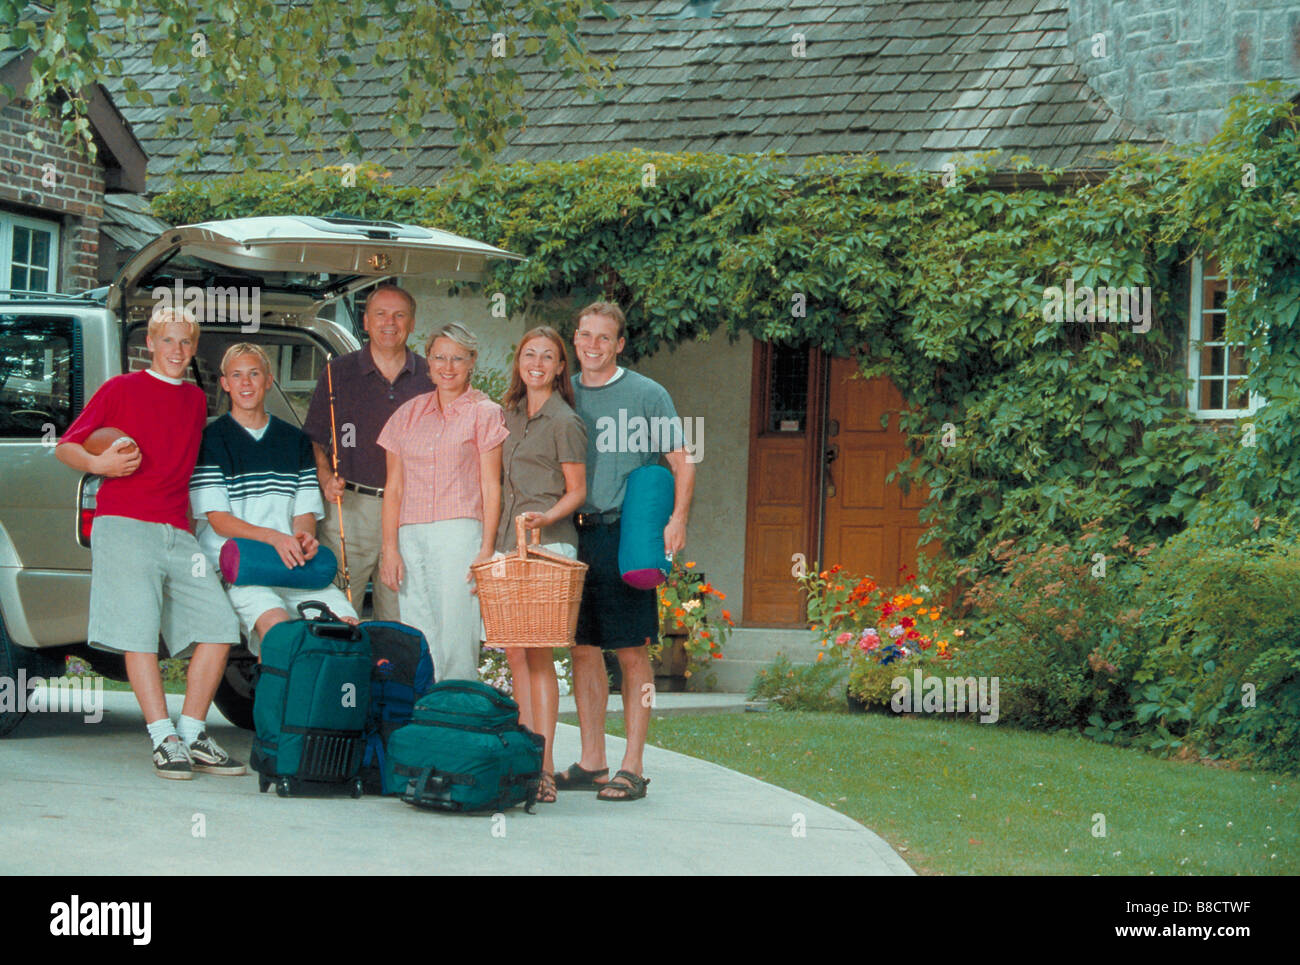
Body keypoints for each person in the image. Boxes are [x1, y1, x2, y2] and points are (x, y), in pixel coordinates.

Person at [55, 305, 244, 780]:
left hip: (176, 531)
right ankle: (164, 739)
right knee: (138, 633)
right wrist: (100, 467)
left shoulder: (197, 401)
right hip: (124, 525)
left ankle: (195, 732)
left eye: (185, 342)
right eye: (167, 341)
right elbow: (67, 445)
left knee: (220, 627)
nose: (176, 351)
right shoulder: (121, 389)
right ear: (151, 344)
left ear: (194, 347)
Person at [558, 301, 695, 802]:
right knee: (582, 648)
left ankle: (632, 765)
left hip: (627, 534)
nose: (592, 345)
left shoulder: (647, 394)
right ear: (575, 339)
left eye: (603, 338)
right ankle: (593, 760)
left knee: (632, 651)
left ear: (618, 344)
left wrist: (676, 520)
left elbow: (682, 461)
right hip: (575, 536)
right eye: (584, 335)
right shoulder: (563, 391)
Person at [190, 344, 359, 658]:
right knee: (281, 633)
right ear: (225, 383)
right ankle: (281, 705)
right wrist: (276, 539)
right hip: (242, 568)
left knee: (346, 628)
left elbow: (305, 511)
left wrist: (303, 536)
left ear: (268, 380)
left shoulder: (293, 440)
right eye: (237, 376)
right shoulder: (211, 440)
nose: (246, 383)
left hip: (293, 563)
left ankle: (324, 705)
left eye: (254, 374)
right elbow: (219, 520)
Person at [378, 323, 508, 682]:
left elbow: (491, 485)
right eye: (439, 357)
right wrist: (390, 547)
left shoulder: (485, 412)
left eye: (457, 358)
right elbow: (394, 487)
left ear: (472, 363)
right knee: (417, 630)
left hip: (459, 530)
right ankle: (425, 715)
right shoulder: (407, 414)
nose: (447, 367)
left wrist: (486, 549)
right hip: (410, 533)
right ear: (428, 362)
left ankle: (456, 714)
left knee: (455, 631)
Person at [493, 327, 588, 804]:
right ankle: (526, 760)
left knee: (538, 652)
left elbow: (577, 490)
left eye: (547, 357)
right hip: (506, 546)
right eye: (529, 353)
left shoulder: (564, 420)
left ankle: (546, 767)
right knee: (515, 653)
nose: (536, 363)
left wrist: (546, 517)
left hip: (548, 546)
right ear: (518, 361)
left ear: (558, 367)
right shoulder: (506, 415)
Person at [303, 284, 433, 620]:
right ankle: (342, 675)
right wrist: (324, 475)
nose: (390, 322)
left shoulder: (430, 377)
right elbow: (317, 437)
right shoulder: (338, 373)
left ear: (413, 323)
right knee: (339, 615)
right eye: (381, 314)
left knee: (401, 620)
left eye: (399, 315)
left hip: (410, 514)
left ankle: (392, 674)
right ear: (365, 321)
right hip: (351, 508)